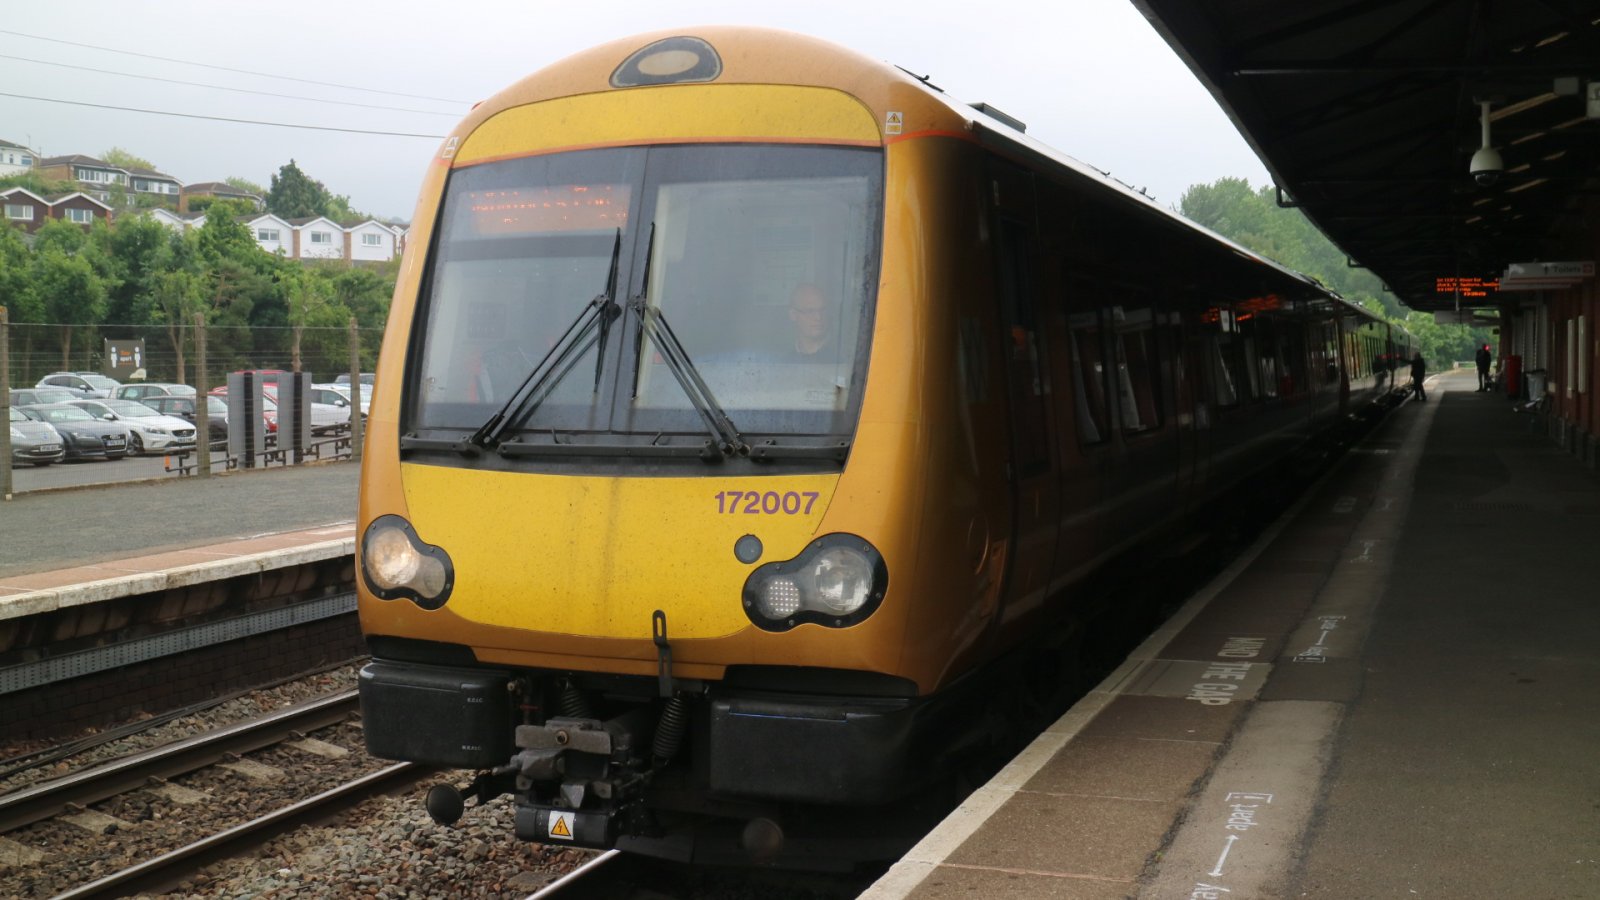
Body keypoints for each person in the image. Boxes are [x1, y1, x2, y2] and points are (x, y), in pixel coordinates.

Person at [786, 283, 834, 358]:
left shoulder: (841, 358)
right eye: (810, 311)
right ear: (793, 315)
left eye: (822, 310)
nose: (818, 317)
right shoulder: (786, 361)